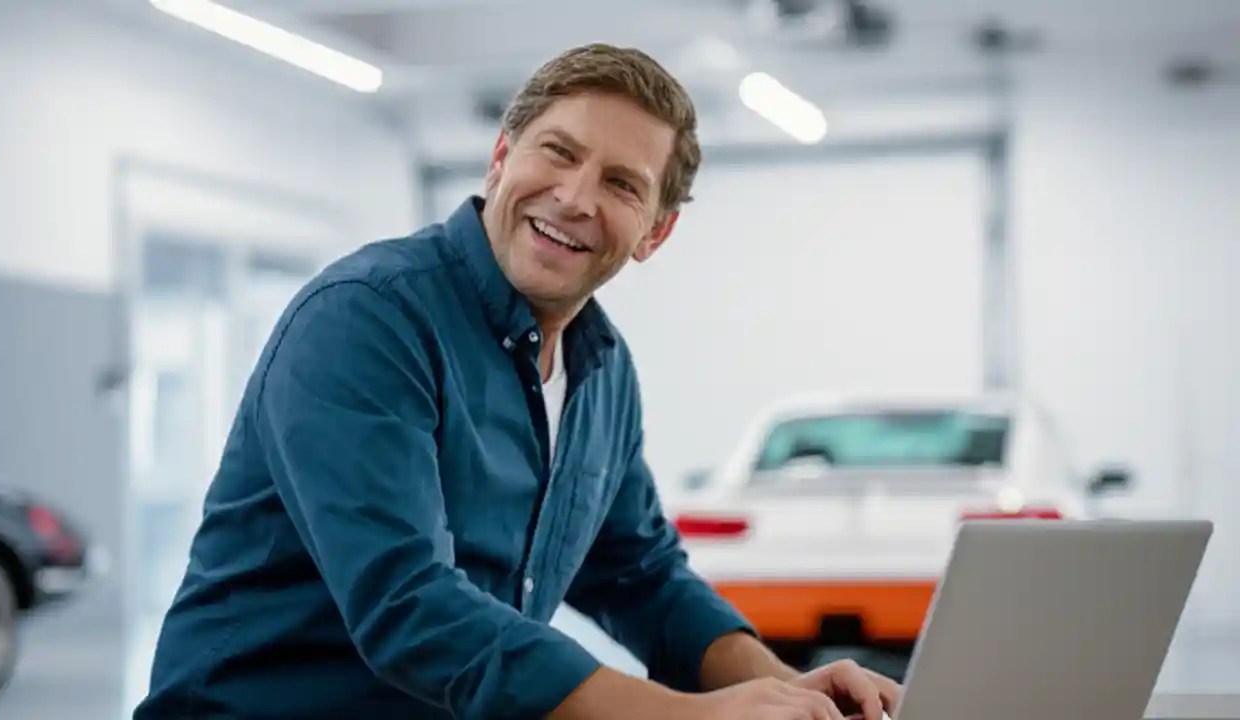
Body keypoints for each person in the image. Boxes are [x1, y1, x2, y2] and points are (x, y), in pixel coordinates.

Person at [133, 43, 901, 720]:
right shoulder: (367, 319)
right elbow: (410, 606)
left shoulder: (604, 371)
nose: (574, 197)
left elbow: (640, 574)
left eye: (622, 185)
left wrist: (792, 692)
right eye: (557, 152)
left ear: (654, 233)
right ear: (501, 156)